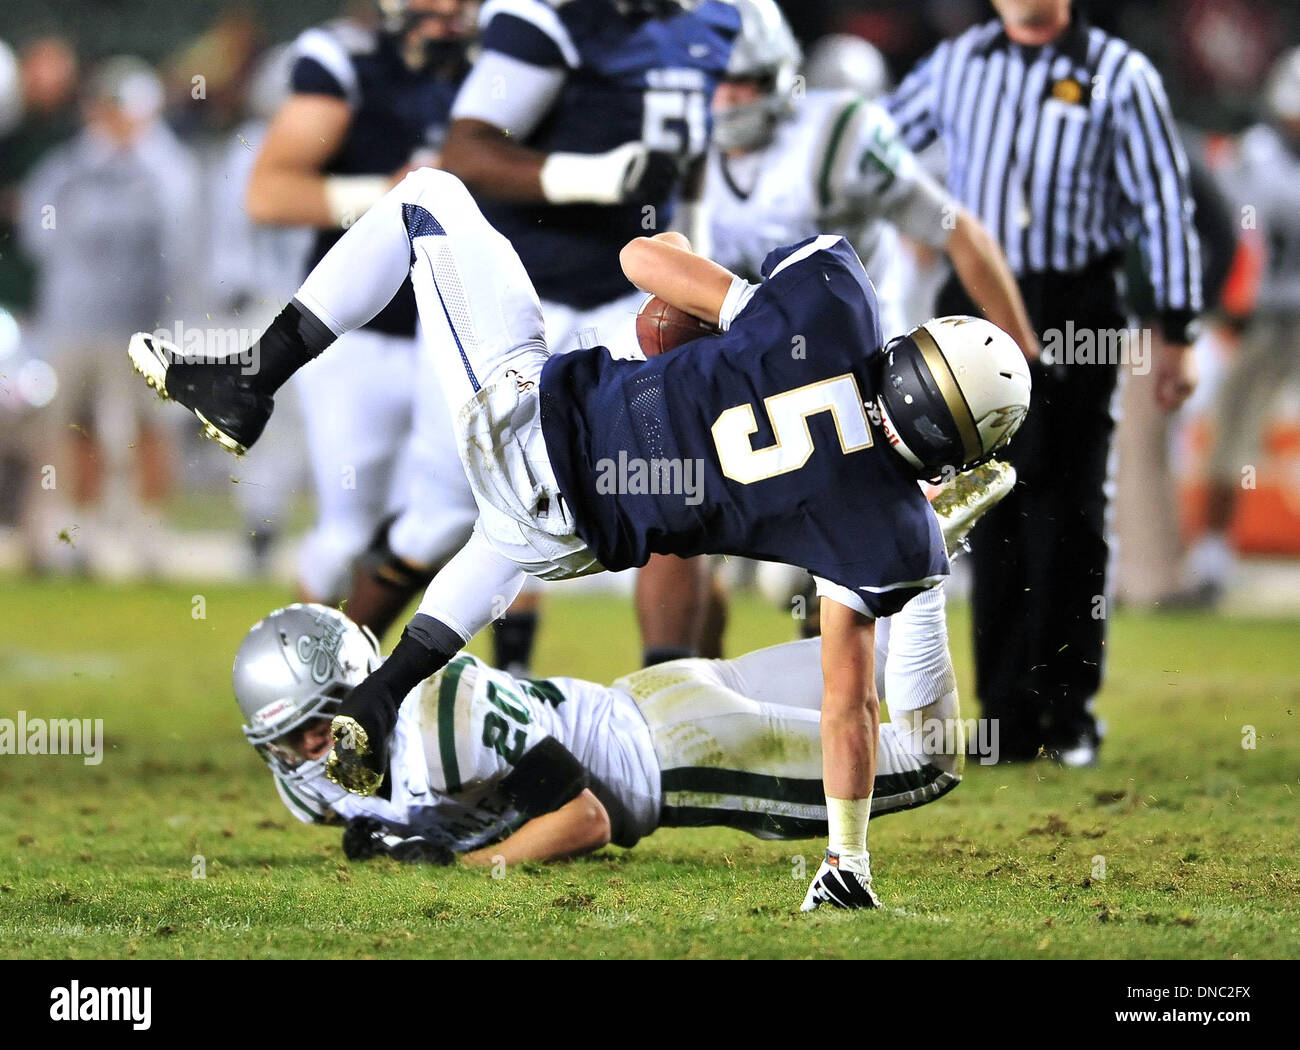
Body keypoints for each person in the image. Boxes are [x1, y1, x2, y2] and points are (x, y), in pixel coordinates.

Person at [128, 166, 1030, 910]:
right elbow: (845, 707)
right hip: (573, 537)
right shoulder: (878, 521)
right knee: (510, 536)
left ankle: (253, 376)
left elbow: (645, 259)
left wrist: (736, 308)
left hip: (541, 428)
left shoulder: (829, 305)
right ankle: (388, 690)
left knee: (427, 200)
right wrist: (847, 863)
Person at [232, 523, 973, 899]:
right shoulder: (321, 780)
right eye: (286, 740)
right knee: (880, 672)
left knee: (929, 753)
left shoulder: (436, 725)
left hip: (678, 757)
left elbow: (586, 818)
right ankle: (910, 538)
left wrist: (465, 862)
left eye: (317, 725)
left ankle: (924, 551)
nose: (308, 752)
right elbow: (383, 821)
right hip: (657, 700)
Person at [886, 0, 1203, 765]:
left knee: (1068, 506)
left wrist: (1178, 329)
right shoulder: (958, 63)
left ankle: (1066, 714)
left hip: (1074, 303)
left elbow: (1164, 201)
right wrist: (907, 219)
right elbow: (875, 146)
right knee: (986, 507)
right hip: (977, 303)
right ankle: (1003, 717)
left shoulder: (1118, 73)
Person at [439, 0, 743, 672]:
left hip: (633, 298)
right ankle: (370, 692)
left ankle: (672, 688)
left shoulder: (723, 20)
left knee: (678, 483)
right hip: (528, 296)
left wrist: (698, 274)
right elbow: (464, 152)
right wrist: (596, 176)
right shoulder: (548, 17)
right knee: (486, 500)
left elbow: (693, 167)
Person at [245, 0, 482, 626]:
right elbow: (268, 191)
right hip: (359, 335)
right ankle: (308, 684)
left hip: (454, 337)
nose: (451, 12)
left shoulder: (503, 66)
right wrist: (388, 197)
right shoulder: (346, 63)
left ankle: (360, 673)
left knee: (444, 522)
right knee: (349, 530)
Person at [23, 55, 198, 576]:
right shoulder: (70, 164)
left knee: (151, 428)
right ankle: (79, 530)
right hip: (75, 316)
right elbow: (38, 233)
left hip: (146, 321)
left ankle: (148, 534)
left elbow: (183, 243)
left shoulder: (167, 167)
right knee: (76, 424)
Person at [1184, 48, 1300, 605]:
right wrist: (1226, 307)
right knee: (1231, 431)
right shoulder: (1253, 158)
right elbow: (1223, 231)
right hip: (1268, 316)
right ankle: (1213, 556)